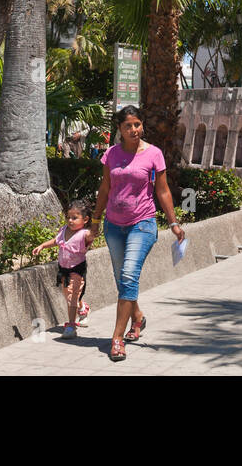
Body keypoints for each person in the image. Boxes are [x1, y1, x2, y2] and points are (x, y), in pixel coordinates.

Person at [91, 105, 184, 362]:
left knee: (129, 275)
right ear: (119, 129)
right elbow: (105, 188)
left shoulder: (153, 154)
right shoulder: (111, 154)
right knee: (123, 280)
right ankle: (138, 317)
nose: (134, 129)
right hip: (113, 226)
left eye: (137, 124)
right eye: (128, 126)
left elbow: (163, 191)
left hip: (142, 224)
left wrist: (173, 222)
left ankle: (117, 339)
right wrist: (96, 221)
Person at [31, 199, 95, 339]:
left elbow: (93, 234)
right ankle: (83, 309)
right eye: (68, 217)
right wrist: (42, 245)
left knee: (72, 297)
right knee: (69, 296)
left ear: (85, 219)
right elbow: (56, 241)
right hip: (63, 270)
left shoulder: (84, 234)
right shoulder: (64, 230)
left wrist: (97, 221)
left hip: (77, 270)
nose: (70, 221)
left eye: (74, 218)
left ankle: (71, 326)